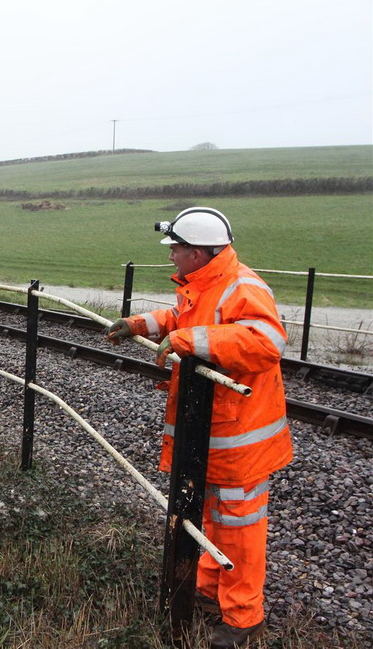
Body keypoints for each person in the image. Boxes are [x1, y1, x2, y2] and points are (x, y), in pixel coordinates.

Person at [105, 207, 293, 648]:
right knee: (213, 517)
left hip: (241, 438)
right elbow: (181, 320)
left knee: (239, 528)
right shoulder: (207, 284)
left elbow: (267, 343)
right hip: (215, 432)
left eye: (176, 248)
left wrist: (190, 342)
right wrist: (138, 324)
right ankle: (210, 592)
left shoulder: (243, 287)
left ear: (200, 252)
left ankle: (245, 620)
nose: (171, 256)